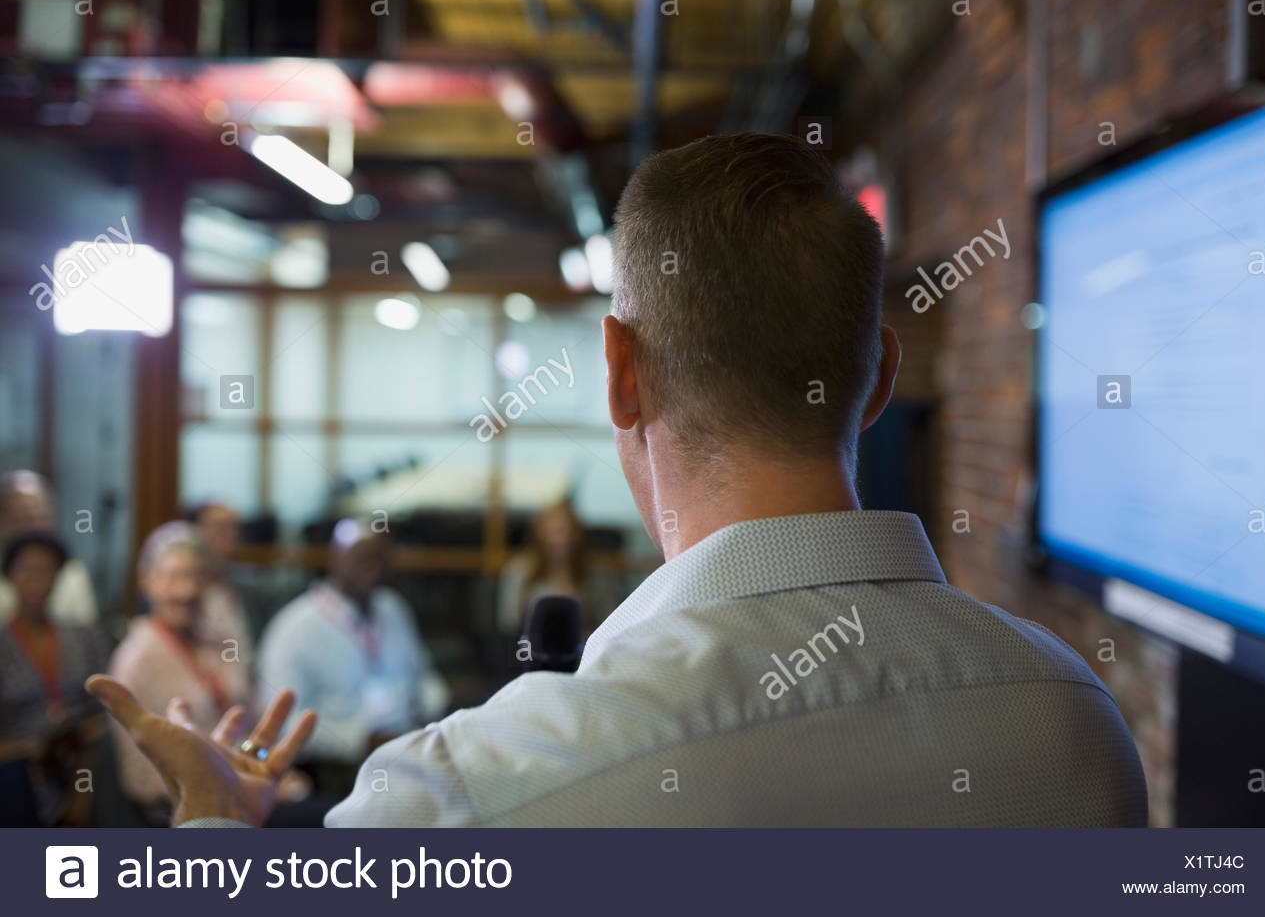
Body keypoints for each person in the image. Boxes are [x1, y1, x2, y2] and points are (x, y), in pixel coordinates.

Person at [87, 133, 1147, 827]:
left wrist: (218, 840)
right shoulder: (1081, 724)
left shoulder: (465, 792)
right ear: (875, 384)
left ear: (619, 371)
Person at [254, 519, 449, 789]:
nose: (373, 568)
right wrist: (361, 740)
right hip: (336, 769)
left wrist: (431, 714)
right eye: (361, 558)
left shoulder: (393, 609)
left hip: (407, 749)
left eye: (380, 558)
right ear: (335, 559)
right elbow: (283, 721)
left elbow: (424, 676)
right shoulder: (294, 629)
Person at [106, 522, 253, 822]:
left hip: (243, 792)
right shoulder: (136, 660)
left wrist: (262, 766)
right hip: (186, 814)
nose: (187, 590)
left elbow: (251, 716)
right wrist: (226, 787)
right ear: (147, 580)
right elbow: (142, 780)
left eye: (196, 576)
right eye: (173, 577)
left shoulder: (215, 642)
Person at [0, 531, 105, 825]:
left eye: (46, 569)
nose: (37, 579)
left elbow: (103, 706)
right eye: (26, 569)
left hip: (80, 758)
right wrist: (25, 748)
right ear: (8, 575)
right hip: (18, 772)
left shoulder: (83, 636)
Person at [496, 499, 608, 637]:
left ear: (579, 535)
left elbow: (608, 621)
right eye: (555, 532)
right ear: (540, 534)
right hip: (531, 650)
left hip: (584, 650)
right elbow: (510, 622)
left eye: (569, 531)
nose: (562, 539)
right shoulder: (519, 570)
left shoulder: (594, 572)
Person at [0, 471, 96, 626]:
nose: (30, 526)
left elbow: (83, 629)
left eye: (37, 516)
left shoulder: (72, 573)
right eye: (20, 516)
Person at [188, 501, 254, 673]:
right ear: (195, 533)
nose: (228, 537)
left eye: (233, 529)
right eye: (219, 529)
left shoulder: (247, 591)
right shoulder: (183, 596)